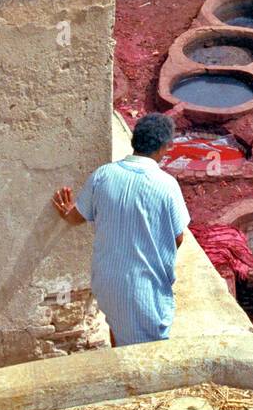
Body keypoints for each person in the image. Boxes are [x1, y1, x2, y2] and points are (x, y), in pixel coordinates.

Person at [51, 113, 189, 347]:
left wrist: (66, 211)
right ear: (165, 147)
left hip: (106, 283)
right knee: (148, 353)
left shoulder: (103, 175)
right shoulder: (166, 185)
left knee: (118, 329)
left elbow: (77, 216)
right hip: (143, 290)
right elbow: (177, 237)